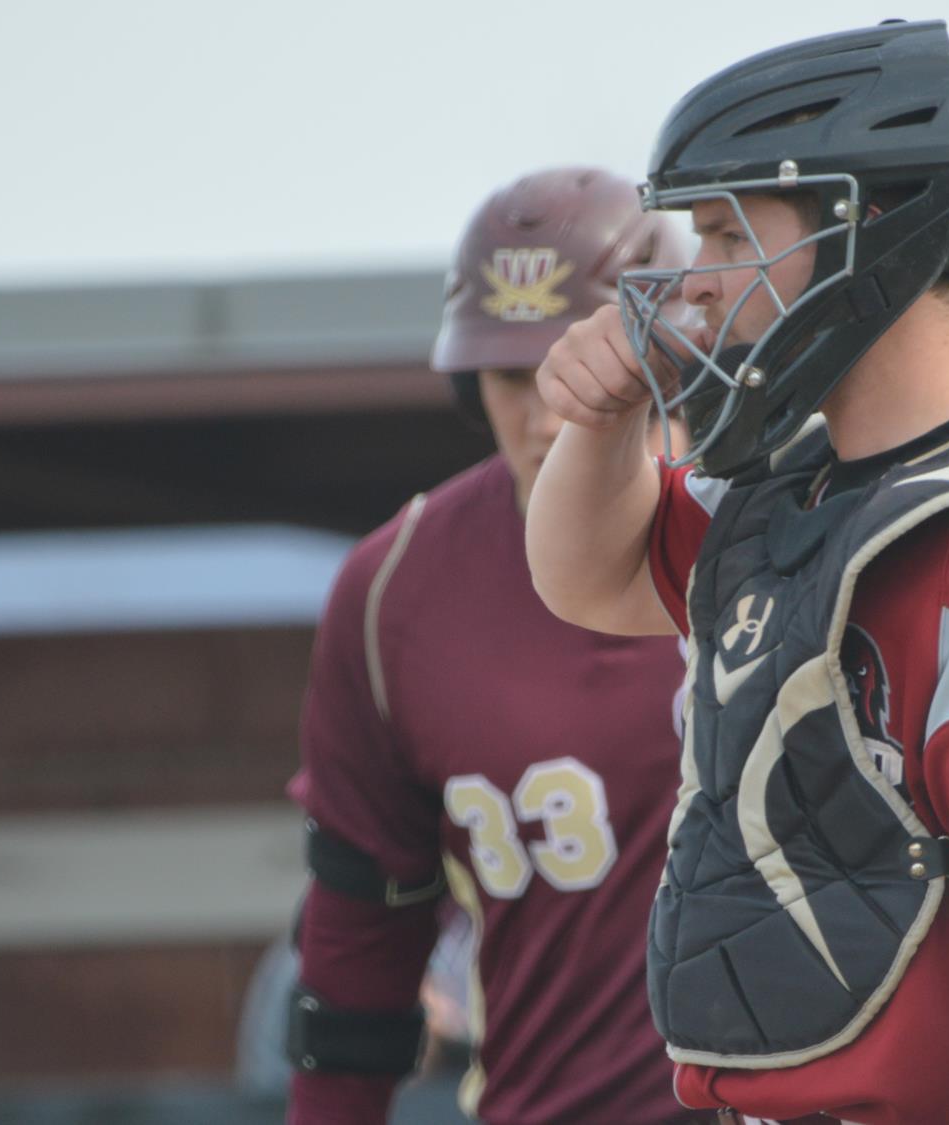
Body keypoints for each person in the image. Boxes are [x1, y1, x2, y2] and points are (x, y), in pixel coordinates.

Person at [527, 21, 949, 1125]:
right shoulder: (783, 491)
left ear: (864, 225)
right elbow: (582, 582)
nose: (695, 284)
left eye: (722, 232)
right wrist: (602, 421)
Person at [284, 166, 705, 1125]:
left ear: (668, 351)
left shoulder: (784, 525)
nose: (548, 408)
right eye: (513, 373)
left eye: (576, 360)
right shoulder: (394, 591)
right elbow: (360, 931)